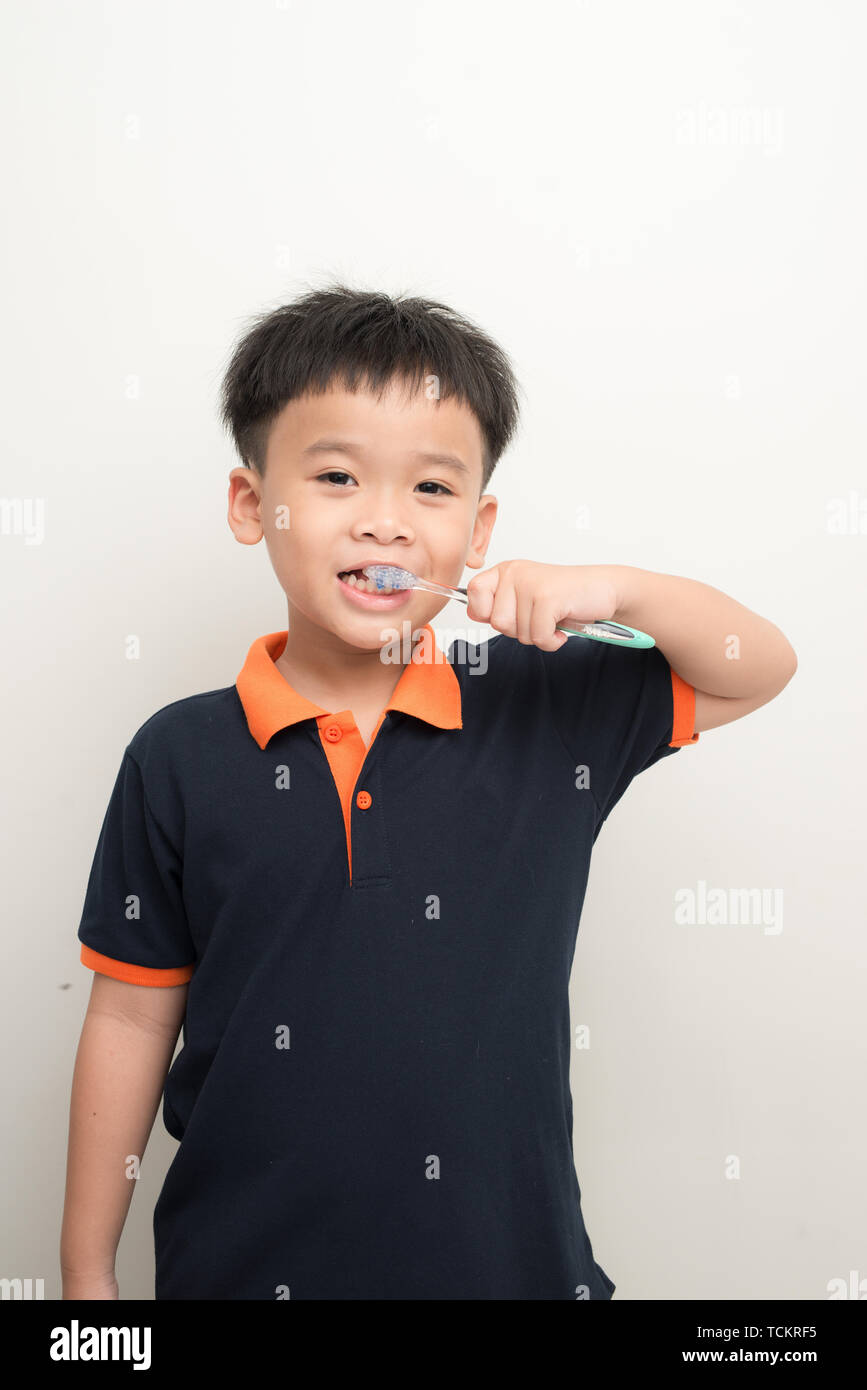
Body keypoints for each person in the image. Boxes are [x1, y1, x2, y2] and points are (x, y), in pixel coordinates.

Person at [60, 284, 797, 1300]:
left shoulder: (549, 712)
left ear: (480, 529)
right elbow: (131, 1023)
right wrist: (85, 1277)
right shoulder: (178, 755)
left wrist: (615, 591)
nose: (386, 524)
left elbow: (754, 664)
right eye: (335, 476)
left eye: (433, 492)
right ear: (250, 504)